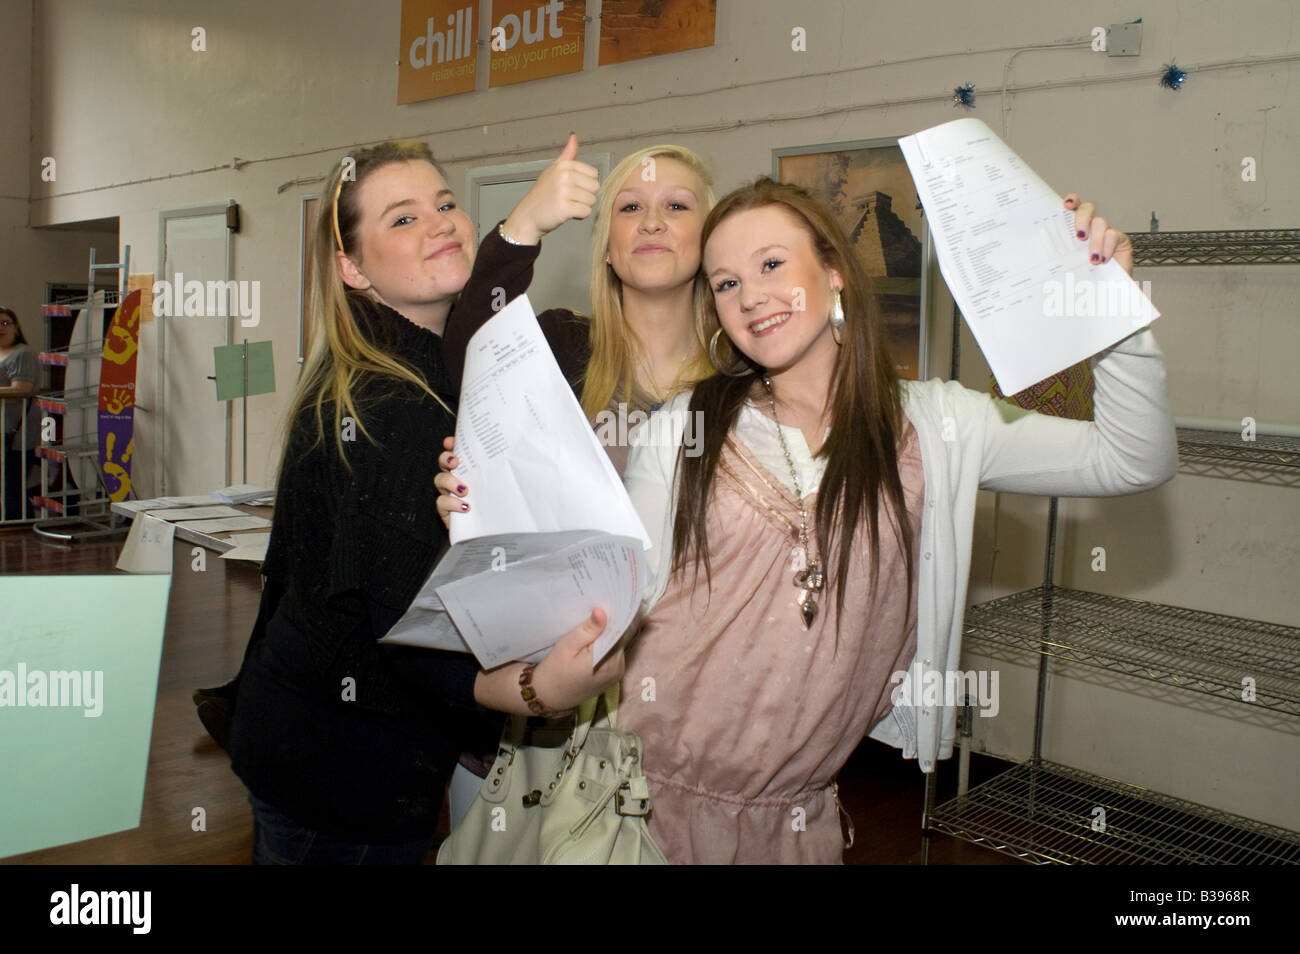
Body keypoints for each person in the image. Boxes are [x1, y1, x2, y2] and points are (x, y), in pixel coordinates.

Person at [439, 179, 1178, 863]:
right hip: (639, 813)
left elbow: (1130, 458)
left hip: (794, 826)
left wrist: (1108, 311)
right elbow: (608, 599)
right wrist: (496, 518)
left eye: (769, 264)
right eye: (726, 283)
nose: (750, 297)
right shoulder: (684, 430)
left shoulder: (940, 425)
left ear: (832, 273)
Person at [223, 141, 624, 864]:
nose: (440, 223)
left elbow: (503, 330)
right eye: (403, 220)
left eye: (444, 204)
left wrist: (523, 231)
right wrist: (535, 690)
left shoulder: (408, 364)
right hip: (342, 775)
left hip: (306, 740)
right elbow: (411, 634)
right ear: (352, 267)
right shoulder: (393, 406)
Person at [435, 138, 717, 820]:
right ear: (608, 247)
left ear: (711, 243)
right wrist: (524, 225)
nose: (652, 221)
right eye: (630, 208)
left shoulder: (741, 389)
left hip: (683, 725)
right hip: (532, 721)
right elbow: (466, 353)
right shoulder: (561, 348)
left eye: (675, 206)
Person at [0, 306, 39, 521]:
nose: (1, 328)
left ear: (16, 327)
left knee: (11, 487)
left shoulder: (22, 354)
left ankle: (18, 530)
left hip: (16, 433)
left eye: (5, 323)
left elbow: (22, 390)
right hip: (3, 430)